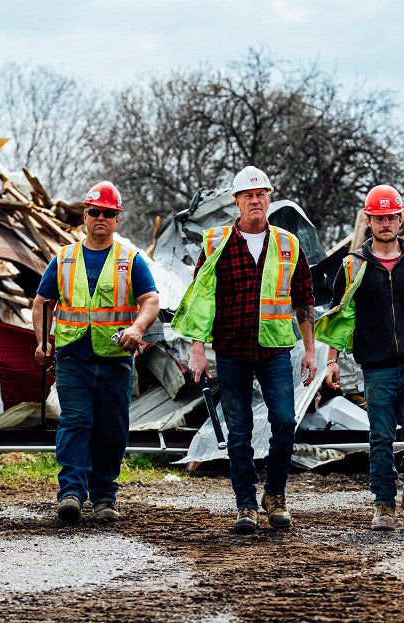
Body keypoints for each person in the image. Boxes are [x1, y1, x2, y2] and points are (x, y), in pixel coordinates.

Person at [172, 166, 316, 535]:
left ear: (269, 199)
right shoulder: (215, 242)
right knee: (239, 431)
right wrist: (198, 350)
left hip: (275, 349)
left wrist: (310, 350)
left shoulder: (288, 244)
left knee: (284, 420)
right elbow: (200, 300)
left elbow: (304, 300)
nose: (255, 201)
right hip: (232, 349)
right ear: (236, 202)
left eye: (261, 194)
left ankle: (275, 494)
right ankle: (246, 504)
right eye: (248, 196)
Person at [315, 184, 404, 531]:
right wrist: (332, 361)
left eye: (391, 217)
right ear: (368, 220)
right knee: (380, 436)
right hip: (377, 368)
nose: (385, 224)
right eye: (379, 218)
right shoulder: (353, 266)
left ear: (400, 219)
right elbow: (340, 317)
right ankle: (383, 503)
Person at [32, 181, 159, 524]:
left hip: (116, 359)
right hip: (73, 358)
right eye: (94, 212)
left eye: (108, 213)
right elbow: (43, 301)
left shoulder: (130, 259)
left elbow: (150, 300)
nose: (100, 217)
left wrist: (137, 329)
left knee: (111, 429)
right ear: (84, 216)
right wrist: (43, 342)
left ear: (117, 219)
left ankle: (104, 496)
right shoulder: (64, 259)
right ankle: (72, 493)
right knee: (75, 422)